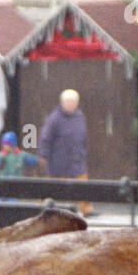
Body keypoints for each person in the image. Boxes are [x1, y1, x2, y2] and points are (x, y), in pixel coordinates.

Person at [38, 88, 92, 216]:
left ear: (77, 103)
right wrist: (43, 154)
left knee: (83, 184)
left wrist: (82, 152)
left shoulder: (80, 117)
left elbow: (83, 137)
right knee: (51, 186)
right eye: (67, 101)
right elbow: (46, 137)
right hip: (58, 160)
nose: (70, 104)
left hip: (77, 159)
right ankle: (41, 208)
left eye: (73, 101)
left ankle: (87, 209)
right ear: (62, 102)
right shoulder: (54, 118)